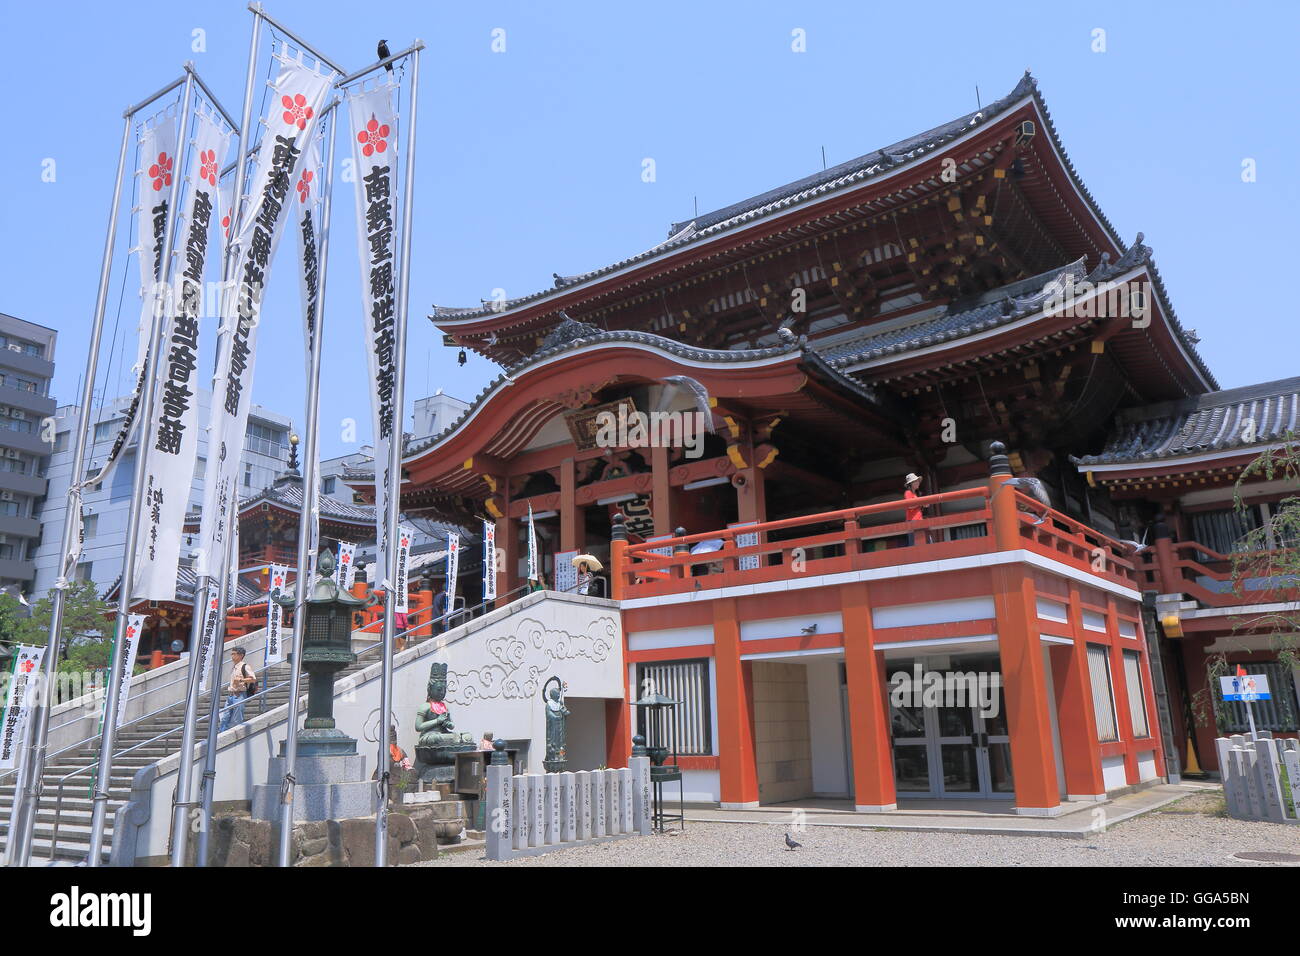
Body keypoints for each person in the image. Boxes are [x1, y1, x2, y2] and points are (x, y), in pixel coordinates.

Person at [219, 647, 256, 731]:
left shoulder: (245, 666)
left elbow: (253, 679)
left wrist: (241, 680)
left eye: (234, 654)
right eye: (232, 654)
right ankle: (221, 736)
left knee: (236, 719)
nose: (232, 656)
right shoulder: (234, 667)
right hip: (231, 695)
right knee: (224, 718)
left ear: (241, 655)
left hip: (239, 695)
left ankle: (234, 738)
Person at [903, 472, 926, 547]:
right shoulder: (908, 493)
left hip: (918, 520)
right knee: (914, 544)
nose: (918, 483)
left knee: (921, 542)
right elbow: (910, 505)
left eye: (917, 481)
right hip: (912, 520)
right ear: (911, 484)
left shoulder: (916, 494)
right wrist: (921, 503)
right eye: (915, 481)